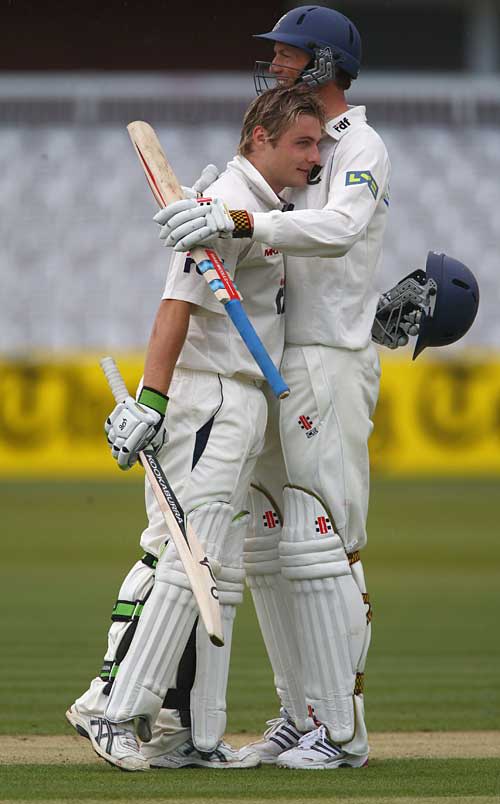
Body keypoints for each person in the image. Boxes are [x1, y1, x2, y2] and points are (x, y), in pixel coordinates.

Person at [156, 5, 390, 770]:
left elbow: (340, 230)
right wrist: (222, 207)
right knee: (271, 547)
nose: (277, 67)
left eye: (290, 57)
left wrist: (239, 218)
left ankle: (342, 730)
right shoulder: (305, 145)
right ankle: (300, 713)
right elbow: (267, 224)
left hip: (329, 357)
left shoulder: (360, 145)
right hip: (281, 357)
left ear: (326, 62)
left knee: (325, 545)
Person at [65, 84, 326, 771]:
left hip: (243, 402)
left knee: (218, 569)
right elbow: (174, 305)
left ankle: (188, 729)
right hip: (209, 398)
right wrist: (150, 401)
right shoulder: (215, 209)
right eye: (301, 142)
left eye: (320, 142)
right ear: (258, 140)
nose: (314, 155)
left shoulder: (264, 212)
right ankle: (112, 707)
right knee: (185, 557)